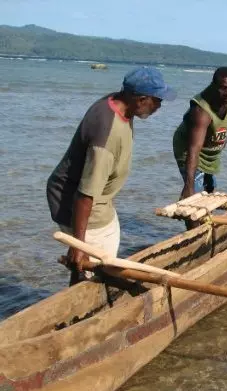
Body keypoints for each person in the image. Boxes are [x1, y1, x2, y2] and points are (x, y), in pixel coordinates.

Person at [47, 66, 176, 283]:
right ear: (141, 99)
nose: (160, 106)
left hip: (96, 198)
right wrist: (80, 245)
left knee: (103, 257)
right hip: (79, 201)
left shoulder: (118, 102)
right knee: (90, 268)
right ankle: (82, 306)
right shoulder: (106, 137)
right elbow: (85, 195)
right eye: (157, 100)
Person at [173, 67, 227, 202]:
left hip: (210, 150)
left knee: (210, 190)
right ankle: (193, 219)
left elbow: (225, 122)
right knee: (194, 197)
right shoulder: (201, 111)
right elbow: (193, 150)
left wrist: (222, 139)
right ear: (213, 86)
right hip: (190, 149)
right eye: (223, 88)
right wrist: (188, 187)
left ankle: (207, 220)